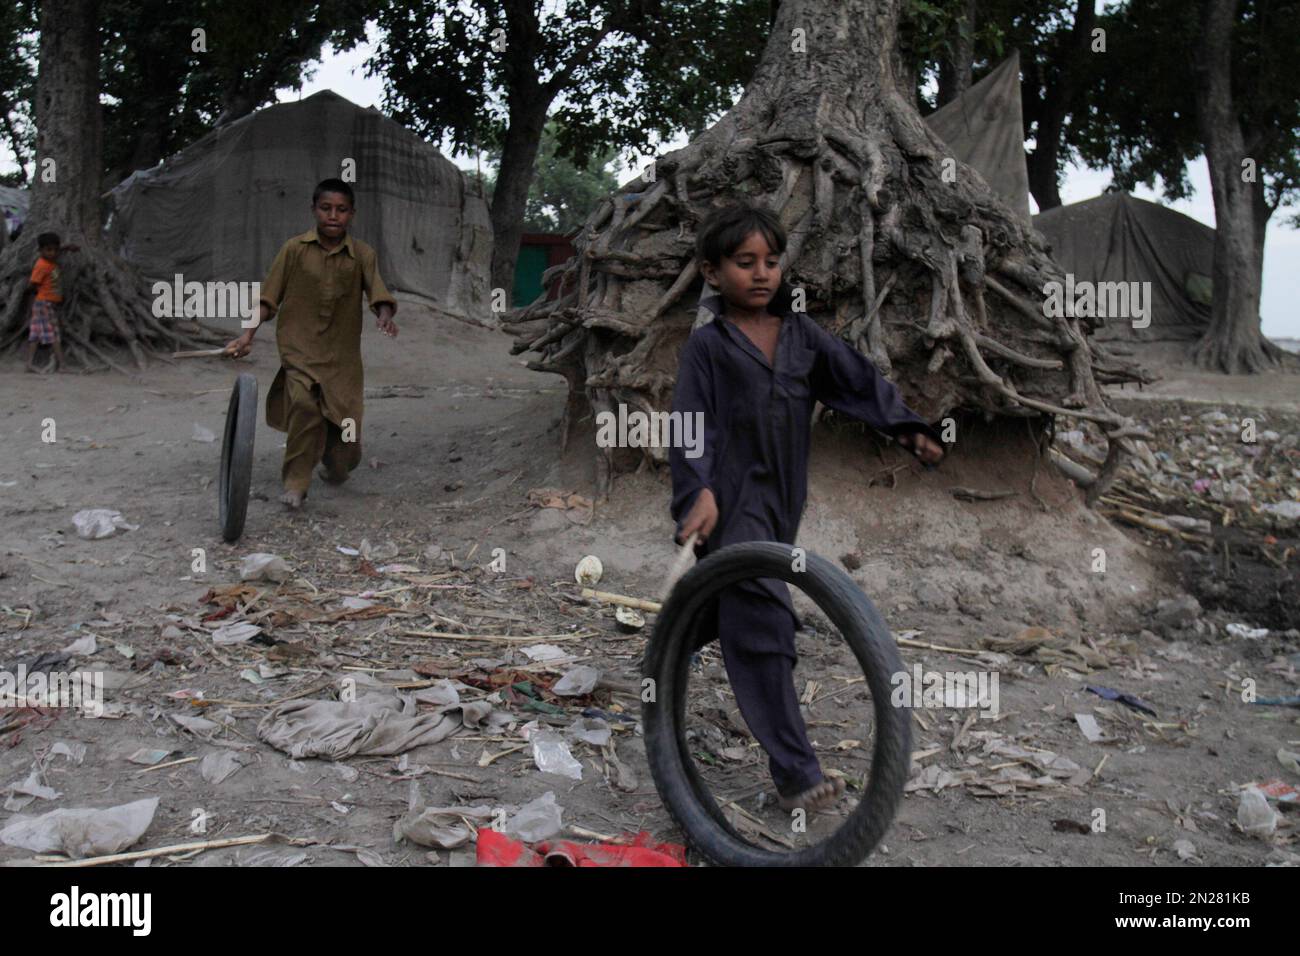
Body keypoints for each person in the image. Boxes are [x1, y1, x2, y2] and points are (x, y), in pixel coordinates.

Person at [669, 202, 946, 812]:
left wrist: (907, 427)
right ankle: (796, 774)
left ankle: (662, 660)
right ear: (713, 273)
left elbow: (856, 381)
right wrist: (698, 490)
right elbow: (690, 424)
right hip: (728, 503)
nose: (762, 273)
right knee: (764, 621)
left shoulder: (801, 336)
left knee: (727, 606)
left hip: (781, 503)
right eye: (745, 263)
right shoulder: (708, 349)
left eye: (771, 261)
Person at [224, 179, 398, 509]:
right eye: (326, 208)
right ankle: (296, 483)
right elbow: (268, 297)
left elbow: (379, 293)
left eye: (341, 210)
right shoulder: (294, 250)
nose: (333, 215)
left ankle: (336, 467)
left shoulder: (362, 255)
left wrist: (384, 314)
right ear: (314, 210)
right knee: (304, 408)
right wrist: (247, 334)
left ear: (352, 214)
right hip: (299, 350)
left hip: (341, 358)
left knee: (346, 435)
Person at [24, 232, 77, 373]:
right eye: (48, 250)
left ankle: (29, 364)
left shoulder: (50, 260)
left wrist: (67, 248)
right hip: (44, 304)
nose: (53, 253)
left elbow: (57, 250)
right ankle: (63, 365)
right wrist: (35, 295)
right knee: (54, 334)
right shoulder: (41, 265)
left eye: (55, 250)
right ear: (40, 250)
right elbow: (32, 284)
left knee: (35, 335)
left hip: (47, 304)